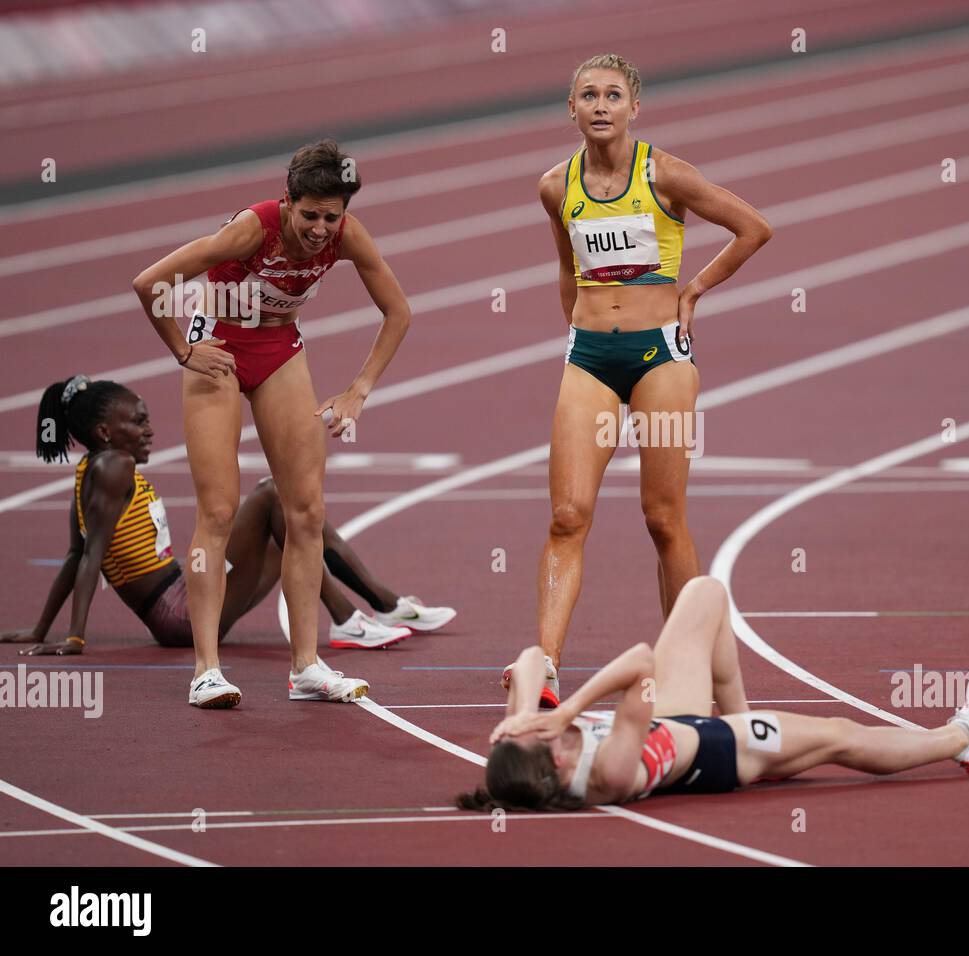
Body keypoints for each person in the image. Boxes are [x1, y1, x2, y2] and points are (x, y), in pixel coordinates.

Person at [516, 54, 772, 708]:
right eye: (587, 96)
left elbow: (753, 228)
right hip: (589, 360)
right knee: (567, 516)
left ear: (635, 108)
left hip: (661, 359)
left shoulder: (666, 175)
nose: (600, 105)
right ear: (570, 110)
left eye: (612, 95)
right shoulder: (555, 186)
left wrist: (695, 291)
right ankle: (544, 665)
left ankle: (686, 669)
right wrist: (579, 332)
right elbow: (566, 270)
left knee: (663, 519)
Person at [131, 139, 412, 707]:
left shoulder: (346, 236)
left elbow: (398, 311)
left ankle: (306, 667)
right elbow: (151, 282)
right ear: (288, 202)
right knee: (217, 509)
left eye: (331, 218)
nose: (318, 229)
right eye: (309, 215)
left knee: (306, 511)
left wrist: (358, 391)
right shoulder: (250, 230)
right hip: (219, 353)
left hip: (280, 351)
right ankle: (207, 670)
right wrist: (184, 353)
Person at [1, 378, 455, 686]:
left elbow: (72, 554)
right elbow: (89, 555)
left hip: (180, 594)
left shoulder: (91, 471)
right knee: (278, 498)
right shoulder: (113, 467)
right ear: (104, 431)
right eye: (137, 422)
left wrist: (41, 628)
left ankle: (373, 611)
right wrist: (73, 637)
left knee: (293, 525)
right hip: (178, 612)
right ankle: (364, 614)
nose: (150, 431)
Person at [462, 577, 969, 810]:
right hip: (719, 751)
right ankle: (962, 738)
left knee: (705, 593)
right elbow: (641, 665)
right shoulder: (608, 774)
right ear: (556, 763)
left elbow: (533, 660)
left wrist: (525, 709)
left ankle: (763, 733)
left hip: (672, 722)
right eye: (542, 735)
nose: (542, 730)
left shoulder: (521, 755)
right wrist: (570, 709)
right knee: (841, 737)